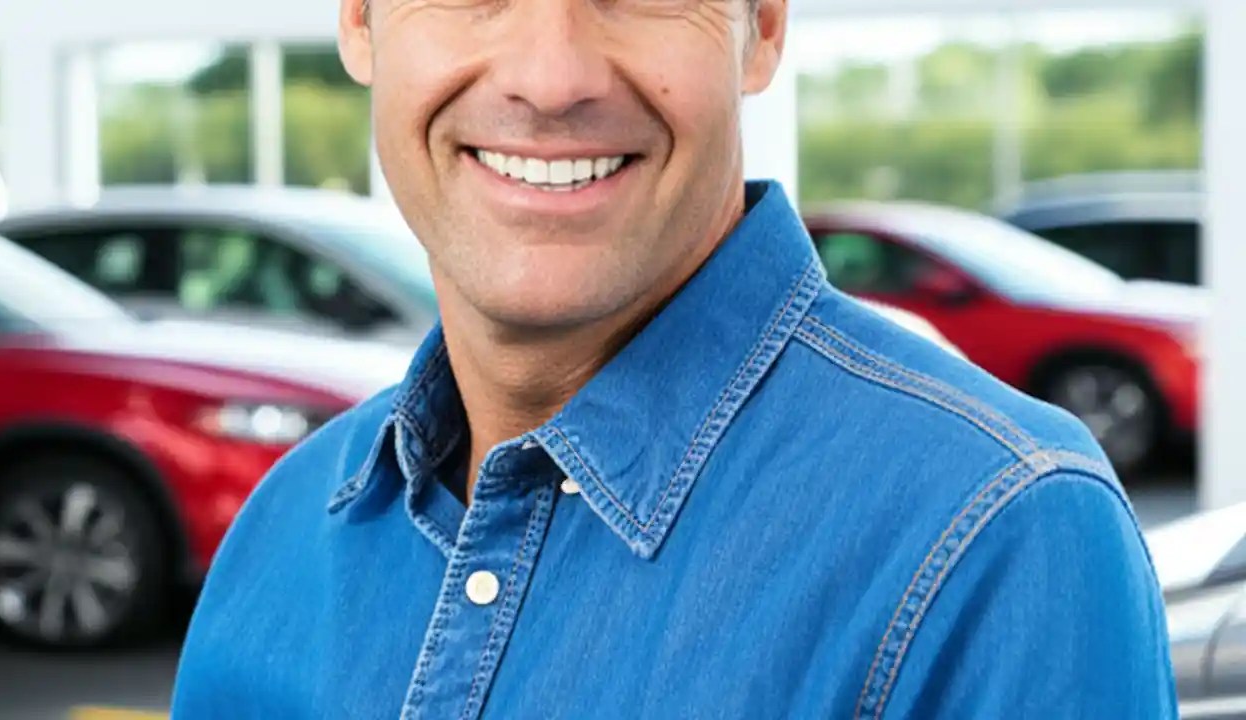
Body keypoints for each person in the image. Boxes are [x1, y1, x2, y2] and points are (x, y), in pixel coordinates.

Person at [171, 0, 1177, 715]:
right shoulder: (285, 525)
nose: (550, 76)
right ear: (361, 21)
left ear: (762, 25)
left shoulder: (996, 533)